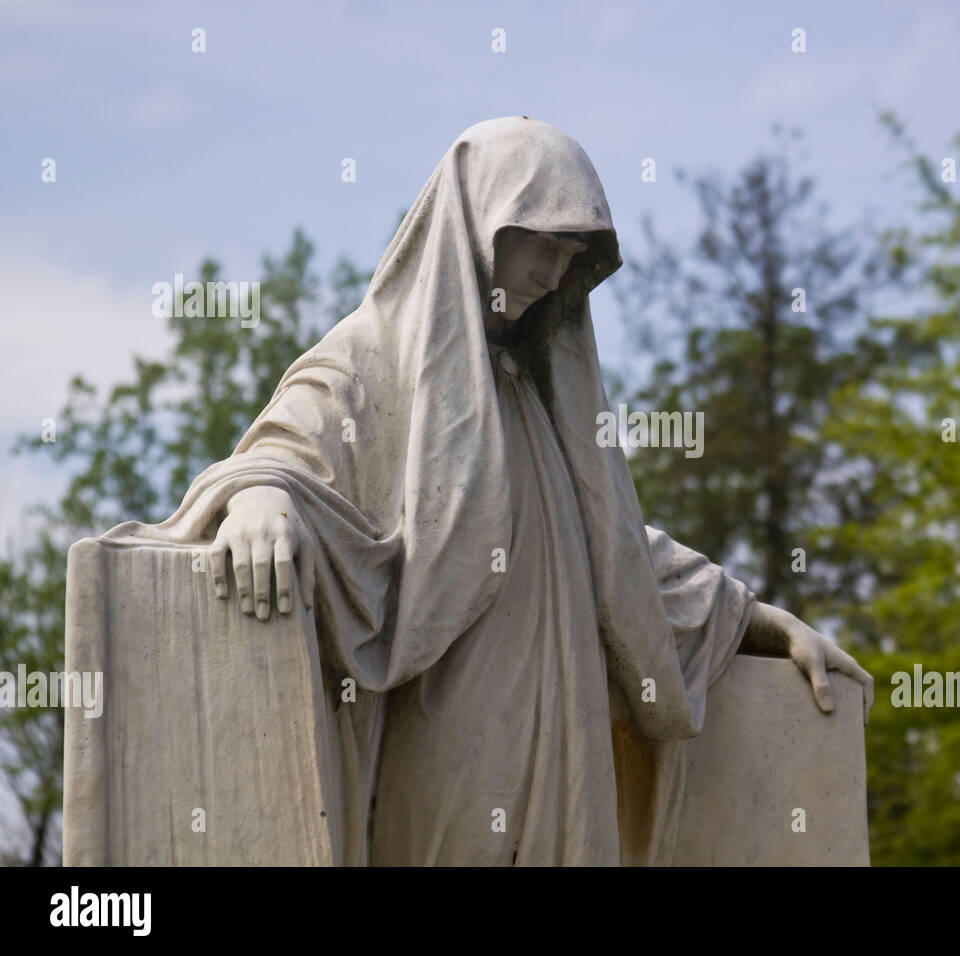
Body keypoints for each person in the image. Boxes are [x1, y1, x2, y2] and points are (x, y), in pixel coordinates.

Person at [109, 116, 872, 865]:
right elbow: (287, 449)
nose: (553, 272)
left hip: (567, 737)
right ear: (477, 226)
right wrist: (260, 499)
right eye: (539, 242)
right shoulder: (375, 360)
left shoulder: (542, 400)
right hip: (457, 731)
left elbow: (607, 553)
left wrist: (756, 620)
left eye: (571, 254)